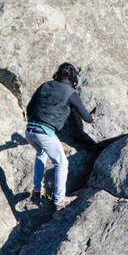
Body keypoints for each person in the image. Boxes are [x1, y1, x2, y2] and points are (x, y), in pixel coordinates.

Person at [25, 62, 96, 211]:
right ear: (73, 78)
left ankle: (37, 189)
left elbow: (28, 108)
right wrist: (93, 118)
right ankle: (59, 200)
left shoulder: (45, 85)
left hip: (30, 129)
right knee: (61, 163)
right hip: (44, 132)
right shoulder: (70, 92)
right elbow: (86, 117)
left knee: (41, 153)